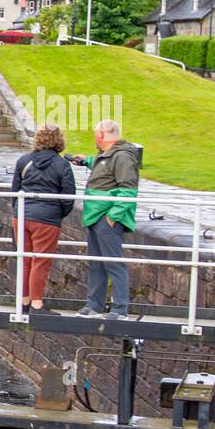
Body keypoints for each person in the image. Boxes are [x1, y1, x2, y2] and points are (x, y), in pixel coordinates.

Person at [71, 119, 140, 319]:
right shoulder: (108, 156)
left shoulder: (123, 157)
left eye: (95, 133)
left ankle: (120, 309)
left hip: (106, 216)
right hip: (95, 215)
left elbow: (128, 190)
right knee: (96, 262)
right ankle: (94, 305)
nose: (94, 137)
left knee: (112, 262)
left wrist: (113, 216)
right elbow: (105, 166)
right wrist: (85, 161)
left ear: (102, 135)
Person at [10, 123, 76, 312]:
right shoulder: (62, 164)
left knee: (25, 260)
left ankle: (24, 301)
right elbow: (68, 196)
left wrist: (18, 211)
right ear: (59, 140)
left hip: (22, 215)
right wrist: (57, 213)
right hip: (47, 218)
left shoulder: (24, 160)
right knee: (41, 261)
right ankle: (37, 303)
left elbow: (14, 191)